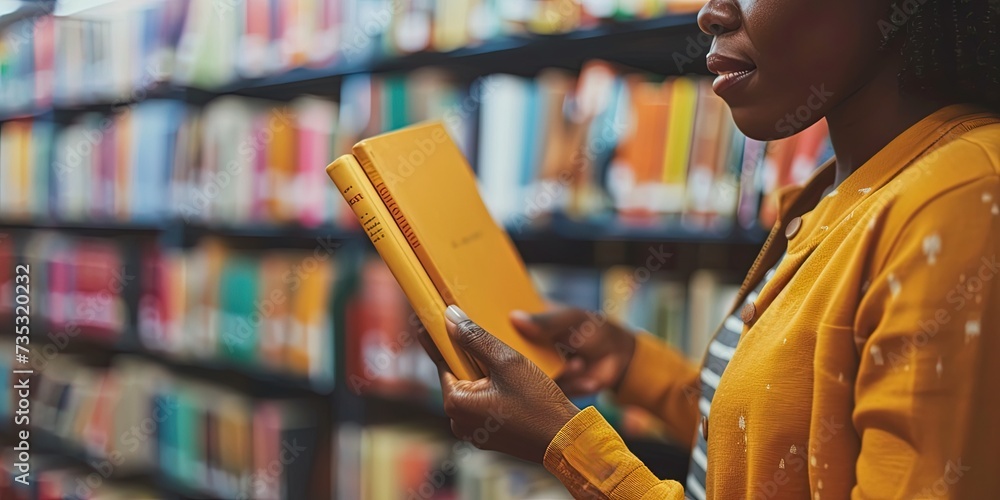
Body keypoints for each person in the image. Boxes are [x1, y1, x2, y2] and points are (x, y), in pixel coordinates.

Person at [418, 0, 1000, 498]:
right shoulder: (835, 188)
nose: (710, 13)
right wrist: (631, 365)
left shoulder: (961, 197)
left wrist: (567, 447)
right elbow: (768, 447)